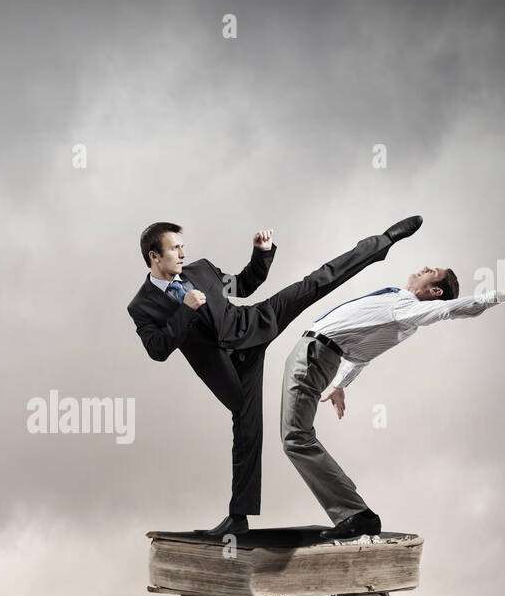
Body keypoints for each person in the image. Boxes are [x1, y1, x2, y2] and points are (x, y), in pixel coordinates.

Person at [127, 216, 423, 537]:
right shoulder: (142, 305)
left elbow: (242, 286)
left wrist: (261, 253)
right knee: (247, 433)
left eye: (183, 246)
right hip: (228, 368)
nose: (183, 254)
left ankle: (382, 243)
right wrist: (185, 309)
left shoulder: (200, 270)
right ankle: (238, 518)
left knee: (314, 282)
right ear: (154, 256)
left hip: (255, 323)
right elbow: (157, 348)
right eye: (175, 248)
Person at [280, 266, 505, 540]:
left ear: (435, 290)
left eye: (433, 271)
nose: (425, 268)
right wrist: (339, 384)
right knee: (295, 437)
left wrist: (504, 295)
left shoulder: (407, 309)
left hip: (314, 354)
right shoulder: (398, 307)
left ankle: (355, 514)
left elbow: (449, 309)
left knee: (296, 438)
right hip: (314, 352)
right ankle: (352, 509)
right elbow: (363, 354)